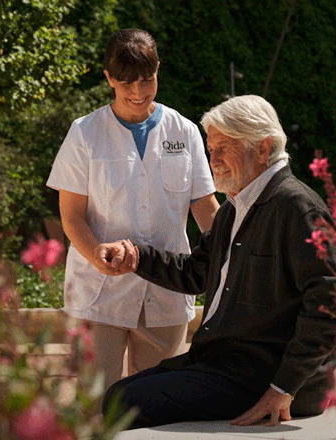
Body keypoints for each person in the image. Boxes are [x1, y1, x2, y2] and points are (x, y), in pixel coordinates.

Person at [94, 95, 336, 428]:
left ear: (261, 148)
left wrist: (283, 387)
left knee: (126, 402)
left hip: (266, 378)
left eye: (223, 148)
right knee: (117, 395)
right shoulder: (233, 209)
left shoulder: (297, 207)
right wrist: (136, 257)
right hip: (225, 365)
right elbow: (195, 273)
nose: (212, 159)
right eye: (210, 148)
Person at [46, 28, 219, 391]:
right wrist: (97, 257)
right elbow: (72, 216)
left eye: (147, 79)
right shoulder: (84, 133)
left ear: (158, 70)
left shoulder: (184, 132)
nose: (138, 92)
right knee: (96, 405)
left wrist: (239, 252)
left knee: (157, 407)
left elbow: (205, 208)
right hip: (98, 295)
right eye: (126, 82)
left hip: (167, 292)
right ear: (109, 77)